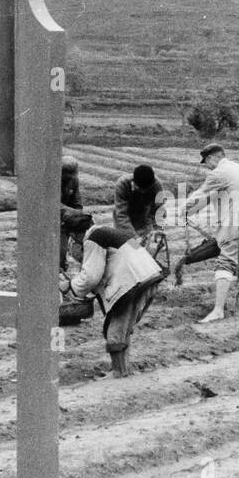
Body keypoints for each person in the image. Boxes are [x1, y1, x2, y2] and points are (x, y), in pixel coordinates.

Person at [60, 212, 164, 378]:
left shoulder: (93, 238)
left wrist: (70, 286)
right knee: (125, 328)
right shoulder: (107, 230)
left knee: (115, 329)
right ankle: (124, 369)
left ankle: (118, 371)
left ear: (74, 234)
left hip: (132, 282)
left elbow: (91, 276)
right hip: (148, 275)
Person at [184, 143, 239, 323]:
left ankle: (218, 310)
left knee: (225, 265)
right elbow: (214, 196)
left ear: (213, 157)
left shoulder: (218, 173)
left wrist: (183, 209)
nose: (206, 166)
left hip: (238, 229)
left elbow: (200, 194)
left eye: (206, 162)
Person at [113, 164, 166, 236]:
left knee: (144, 243)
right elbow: (122, 214)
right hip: (123, 220)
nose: (143, 192)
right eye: (140, 190)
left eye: (146, 191)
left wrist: (159, 230)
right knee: (128, 244)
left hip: (143, 217)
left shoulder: (157, 186)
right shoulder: (122, 185)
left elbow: (158, 210)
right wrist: (134, 237)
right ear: (133, 182)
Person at [60, 155, 85, 272]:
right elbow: (52, 204)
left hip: (67, 218)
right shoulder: (52, 181)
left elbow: (78, 204)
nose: (69, 177)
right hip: (51, 219)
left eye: (71, 174)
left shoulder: (74, 181)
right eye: (66, 174)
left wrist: (76, 214)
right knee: (58, 252)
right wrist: (71, 212)